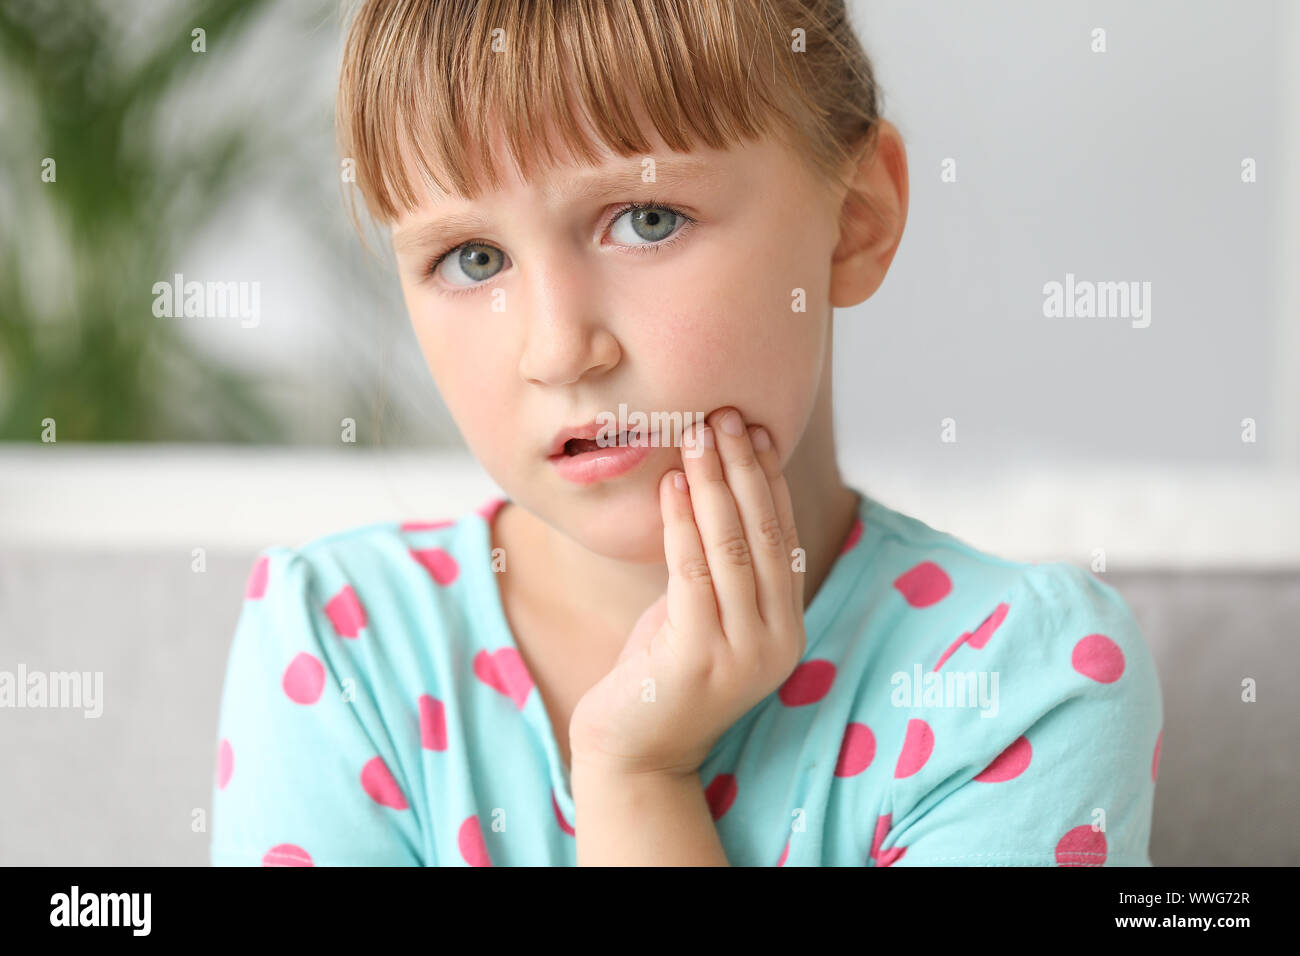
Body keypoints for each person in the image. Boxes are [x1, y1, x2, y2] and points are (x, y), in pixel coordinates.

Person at [210, 0, 1162, 866]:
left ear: (856, 221)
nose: (558, 349)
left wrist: (638, 783)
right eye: (473, 257)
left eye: (648, 218)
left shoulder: (1021, 688)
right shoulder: (341, 650)